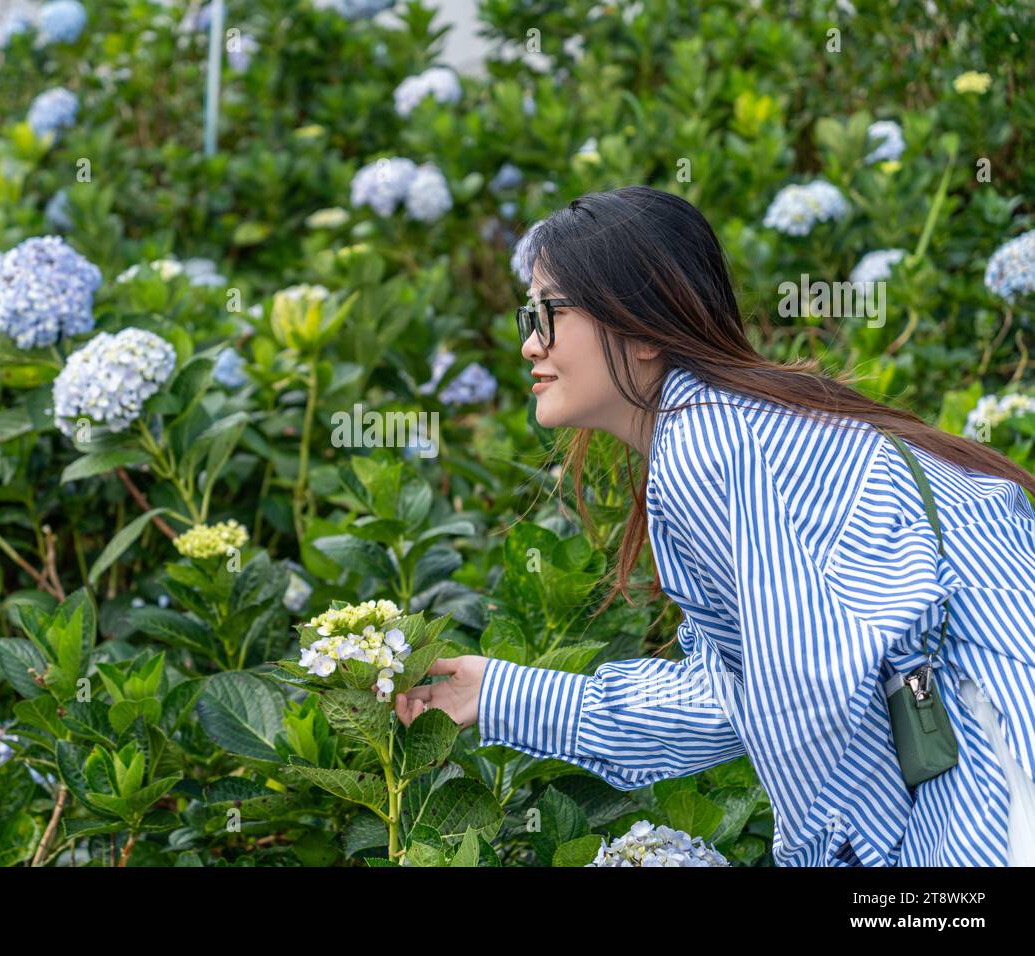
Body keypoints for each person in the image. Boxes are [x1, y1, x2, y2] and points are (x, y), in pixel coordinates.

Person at [395, 186, 1035, 867]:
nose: (529, 343)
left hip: (996, 720)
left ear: (640, 328)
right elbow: (731, 694)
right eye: (528, 316)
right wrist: (497, 694)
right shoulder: (723, 426)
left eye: (550, 313)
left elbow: (802, 703)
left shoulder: (706, 444)